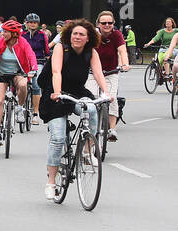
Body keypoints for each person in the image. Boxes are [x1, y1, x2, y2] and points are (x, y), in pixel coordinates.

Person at [41, 19, 112, 200]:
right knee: (57, 138)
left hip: (77, 91)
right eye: (75, 34)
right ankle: (51, 181)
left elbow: (98, 73)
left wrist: (106, 93)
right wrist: (57, 93)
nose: (77, 37)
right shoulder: (61, 48)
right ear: (69, 36)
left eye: (81, 34)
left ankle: (88, 151)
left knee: (92, 109)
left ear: (88, 38)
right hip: (55, 91)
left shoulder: (91, 52)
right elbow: (56, 72)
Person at [0, 19, 37, 147]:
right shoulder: (1, 42)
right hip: (1, 73)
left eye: (5, 32)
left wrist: (33, 69)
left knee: (24, 85)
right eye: (2, 31)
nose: (2, 34)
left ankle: (19, 108)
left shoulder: (22, 42)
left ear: (14, 34)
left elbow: (31, 55)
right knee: (0, 100)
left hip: (18, 72)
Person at [89, 10, 129, 141]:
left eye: (110, 23)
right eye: (104, 23)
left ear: (113, 24)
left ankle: (112, 129)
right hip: (93, 72)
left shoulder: (116, 35)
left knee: (111, 99)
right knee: (91, 98)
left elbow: (122, 50)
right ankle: (91, 126)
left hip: (111, 72)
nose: (107, 25)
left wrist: (125, 64)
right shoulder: (93, 34)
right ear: (98, 24)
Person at [20, 13, 50, 123]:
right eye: (30, 22)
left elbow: (46, 51)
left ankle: (35, 113)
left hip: (38, 62)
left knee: (36, 85)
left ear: (38, 24)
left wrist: (48, 57)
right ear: (26, 23)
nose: (33, 24)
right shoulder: (22, 35)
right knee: (20, 84)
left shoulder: (42, 35)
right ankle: (20, 109)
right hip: (24, 63)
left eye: (35, 22)